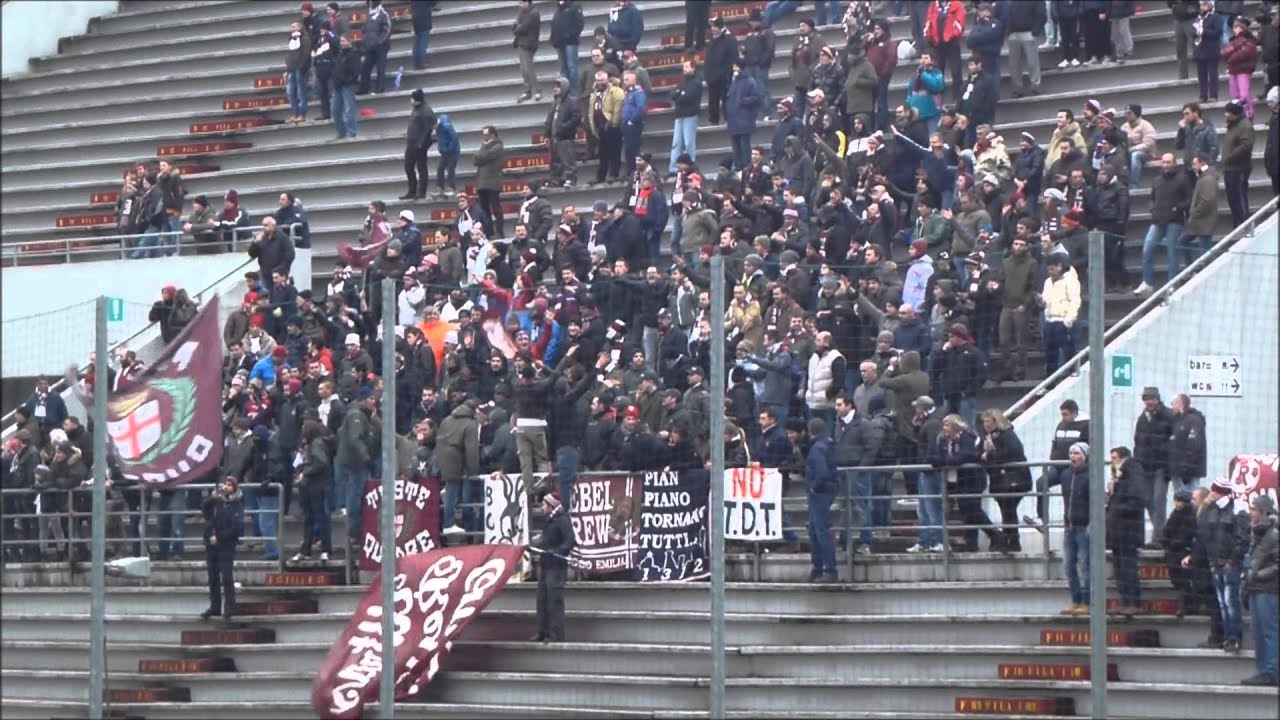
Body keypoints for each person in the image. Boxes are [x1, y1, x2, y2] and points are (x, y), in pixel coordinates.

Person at [1191, 478, 1250, 653]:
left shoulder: (1237, 510)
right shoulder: (1211, 510)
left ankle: (1235, 638)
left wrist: (1233, 561)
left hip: (1230, 565)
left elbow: (1243, 538)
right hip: (1216, 564)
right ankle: (1227, 636)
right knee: (1223, 603)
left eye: (1214, 490)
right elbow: (1206, 536)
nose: (1212, 494)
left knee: (1231, 602)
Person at [931, 414, 1000, 553]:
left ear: (955, 426)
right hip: (957, 481)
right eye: (944, 425)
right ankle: (972, 543)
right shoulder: (943, 439)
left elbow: (965, 455)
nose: (944, 428)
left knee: (973, 511)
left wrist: (945, 461)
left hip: (973, 479)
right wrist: (944, 460)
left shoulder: (967, 436)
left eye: (947, 425)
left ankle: (994, 535)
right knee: (967, 512)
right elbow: (936, 457)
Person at [979, 409, 1030, 553]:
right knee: (1007, 511)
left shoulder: (1008, 435)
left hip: (1014, 480)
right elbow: (978, 453)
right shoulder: (989, 437)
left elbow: (1014, 452)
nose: (985, 425)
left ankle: (1012, 541)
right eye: (984, 422)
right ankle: (1010, 540)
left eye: (988, 421)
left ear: (996, 421)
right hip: (1000, 481)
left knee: (1009, 510)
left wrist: (990, 454)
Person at [1242, 494, 1278, 685]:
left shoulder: (1274, 534)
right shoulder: (1255, 532)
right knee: (1257, 632)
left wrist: (1259, 575)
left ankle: (1271, 671)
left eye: (1254, 509)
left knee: (1268, 631)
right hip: (1255, 588)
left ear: (1265, 512)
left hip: (1268, 589)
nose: (1251, 513)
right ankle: (1263, 670)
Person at [530, 490, 575, 642]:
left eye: (544, 504)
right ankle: (542, 631)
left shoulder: (563, 519)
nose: (541, 507)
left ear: (551, 505)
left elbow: (570, 541)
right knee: (542, 599)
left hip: (556, 566)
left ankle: (556, 634)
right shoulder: (548, 521)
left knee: (554, 600)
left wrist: (556, 552)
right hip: (545, 564)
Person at [1134, 387, 1176, 547]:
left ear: (1158, 399)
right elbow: (1137, 442)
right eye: (1146, 399)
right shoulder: (1142, 419)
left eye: (1152, 398)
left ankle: (1158, 538)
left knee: (1159, 500)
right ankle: (1162, 532)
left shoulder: (1168, 416)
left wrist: (1169, 466)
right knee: (1148, 500)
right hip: (1145, 466)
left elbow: (1175, 442)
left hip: (1161, 466)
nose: (1149, 402)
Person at [1107, 446, 1146, 616]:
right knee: (1119, 567)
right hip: (1117, 529)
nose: (1113, 461)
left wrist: (1115, 509)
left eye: (1115, 458)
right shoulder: (1119, 477)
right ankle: (1125, 600)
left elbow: (1135, 501)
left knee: (1128, 566)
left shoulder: (1133, 474)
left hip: (1128, 529)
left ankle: (1133, 601)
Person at [200, 476, 245, 621]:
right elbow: (204, 510)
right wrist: (212, 498)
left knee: (226, 576)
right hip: (211, 544)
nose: (226, 487)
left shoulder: (237, 505)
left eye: (230, 485)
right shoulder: (216, 502)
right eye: (225, 484)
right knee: (213, 577)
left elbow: (237, 528)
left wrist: (220, 537)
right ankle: (215, 606)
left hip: (226, 545)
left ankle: (230, 606)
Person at [805, 418, 839, 582]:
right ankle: (820, 568)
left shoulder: (817, 449)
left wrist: (814, 487)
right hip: (827, 491)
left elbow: (821, 472)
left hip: (819, 494)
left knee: (820, 531)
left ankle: (828, 569)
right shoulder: (828, 445)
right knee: (816, 530)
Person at [1060, 442, 1091, 616]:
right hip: (1069, 526)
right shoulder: (1066, 475)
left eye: (1077, 453)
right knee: (1068, 565)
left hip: (1083, 526)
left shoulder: (1090, 476)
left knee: (1086, 565)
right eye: (1071, 453)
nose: (1073, 457)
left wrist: (1090, 525)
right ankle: (1076, 599)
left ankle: (1087, 601)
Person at [1163, 489, 1199, 617]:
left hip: (1183, 552)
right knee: (1177, 580)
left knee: (1183, 581)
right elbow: (1167, 531)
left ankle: (1185, 606)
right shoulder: (1174, 515)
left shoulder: (1190, 515)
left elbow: (1188, 534)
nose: (1177, 504)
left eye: (1179, 501)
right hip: (1173, 553)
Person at [1221, 99, 1254, 227]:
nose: (1225, 114)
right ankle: (1238, 224)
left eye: (1227, 112)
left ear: (1232, 113)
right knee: (1232, 198)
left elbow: (1246, 146)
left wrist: (1229, 157)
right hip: (1230, 168)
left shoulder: (1245, 126)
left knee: (1239, 197)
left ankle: (1245, 225)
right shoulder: (1232, 125)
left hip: (1239, 168)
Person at [400, 88, 436, 201]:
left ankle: (421, 192)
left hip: (419, 145)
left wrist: (422, 143)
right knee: (408, 166)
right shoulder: (417, 109)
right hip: (411, 143)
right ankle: (412, 190)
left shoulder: (426, 111)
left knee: (421, 168)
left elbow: (428, 129)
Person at [331, 32, 362, 139]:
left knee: (349, 110)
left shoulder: (354, 54)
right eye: (341, 41)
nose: (341, 43)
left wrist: (347, 80)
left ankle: (351, 132)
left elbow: (356, 71)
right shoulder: (340, 54)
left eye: (343, 41)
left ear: (349, 41)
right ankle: (341, 131)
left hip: (347, 85)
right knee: (335, 110)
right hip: (338, 85)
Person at [358, 0, 392, 95]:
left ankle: (380, 87)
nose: (370, 3)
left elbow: (387, 29)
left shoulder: (383, 13)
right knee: (365, 68)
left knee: (380, 68)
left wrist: (379, 41)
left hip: (381, 46)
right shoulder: (368, 14)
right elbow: (364, 29)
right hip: (369, 46)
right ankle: (364, 87)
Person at [513, 0, 542, 103]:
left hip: (529, 44)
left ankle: (537, 90)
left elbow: (522, 28)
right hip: (521, 43)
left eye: (521, 3)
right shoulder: (522, 12)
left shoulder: (534, 13)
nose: (519, 5)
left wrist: (517, 27)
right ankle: (528, 90)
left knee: (528, 68)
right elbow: (515, 26)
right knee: (523, 69)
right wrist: (517, 27)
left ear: (527, 2)